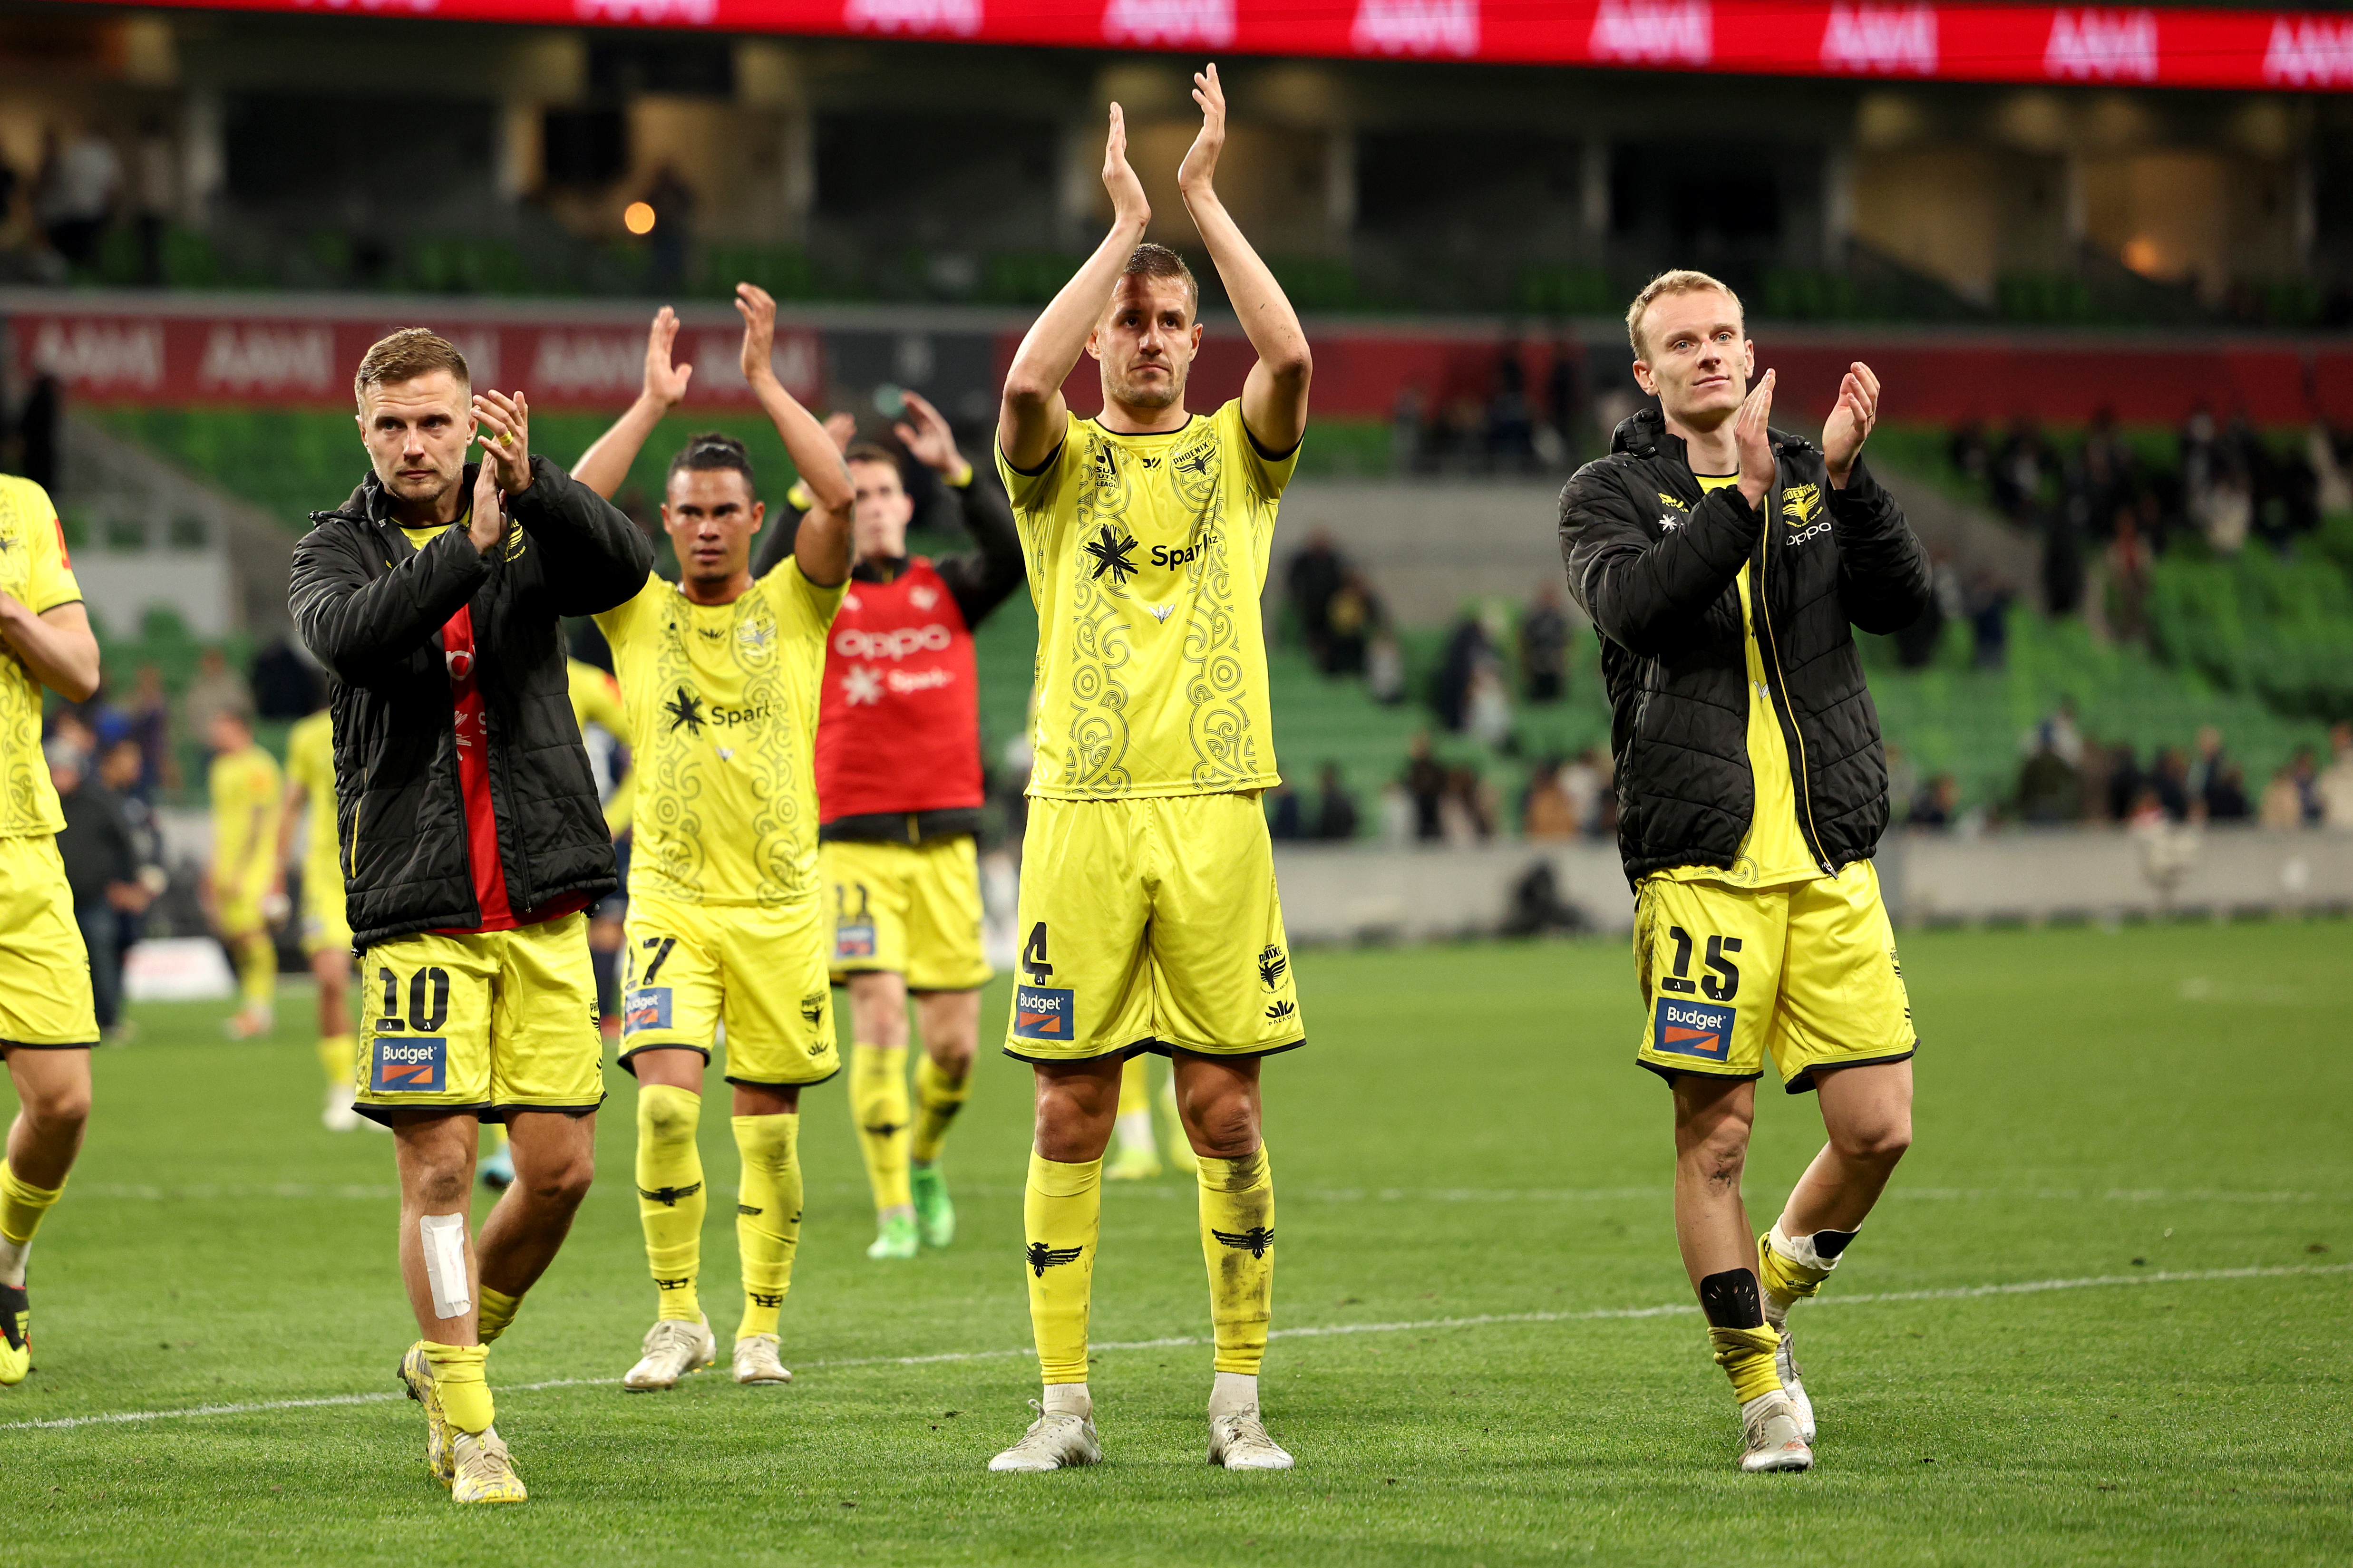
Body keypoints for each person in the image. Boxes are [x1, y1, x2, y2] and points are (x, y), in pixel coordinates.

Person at [986, 64, 1310, 1474]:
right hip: (1078, 811)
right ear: (1102, 336)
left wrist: (1198, 205)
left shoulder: (1239, 455)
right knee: (1071, 1106)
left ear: (1195, 340)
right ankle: (1062, 1407)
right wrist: (1121, 232)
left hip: (1216, 809)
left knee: (1220, 1109)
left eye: (1172, 322)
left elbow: (1290, 360)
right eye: (1131, 320)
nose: (1151, 340)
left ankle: (1236, 1398)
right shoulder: (1054, 464)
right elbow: (1020, 383)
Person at [1558, 270, 1929, 1474]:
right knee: (1712, 1141)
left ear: (1749, 349)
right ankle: (1757, 1390)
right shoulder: (1606, 494)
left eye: (1723, 335)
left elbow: (1902, 603)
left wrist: (1852, 483)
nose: (1708, 353)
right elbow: (1637, 609)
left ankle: (1768, 1286)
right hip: (1699, 870)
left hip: (1827, 860)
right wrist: (1744, 501)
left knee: (1876, 1128)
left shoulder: (1811, 475)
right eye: (1683, 342)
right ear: (1646, 372)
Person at [290, 328, 654, 1504]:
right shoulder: (332, 549)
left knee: (558, 1173)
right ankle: (476, 1426)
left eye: (435, 422)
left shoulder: (530, 521)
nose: (413, 444)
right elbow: (350, 639)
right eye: (391, 424)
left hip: (540, 904)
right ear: (362, 430)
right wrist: (467, 548)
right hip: (416, 910)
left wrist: (536, 486)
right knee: (441, 1169)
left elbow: (626, 569)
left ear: (470, 424)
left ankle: (444, 1358)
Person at [568, 288, 854, 1394]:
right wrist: (649, 404)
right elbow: (565, 510)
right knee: (663, 1104)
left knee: (768, 1136)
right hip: (670, 901)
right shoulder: (635, 608)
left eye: (724, 510)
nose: (703, 526)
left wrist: (767, 382)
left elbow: (837, 496)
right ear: (666, 518)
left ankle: (760, 1327)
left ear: (751, 517)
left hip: (779, 906)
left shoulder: (796, 604)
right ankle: (677, 1315)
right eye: (686, 510)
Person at [744, 400, 1021, 1262]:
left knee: (956, 1050)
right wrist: (807, 482)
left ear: (905, 504)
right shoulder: (818, 600)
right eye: (854, 493)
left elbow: (1015, 557)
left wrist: (961, 473)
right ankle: (894, 1206)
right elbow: (761, 577)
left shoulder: (948, 587)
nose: (868, 505)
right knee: (879, 1020)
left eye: (881, 492)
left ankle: (925, 1156)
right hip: (855, 846)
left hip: (945, 846)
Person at [0, 465, 105, 1385]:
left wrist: (10, 615)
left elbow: (81, 670)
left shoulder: (20, 505)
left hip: (20, 844)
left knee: (63, 1100)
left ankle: (7, 1261)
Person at [279, 703, 360, 1131]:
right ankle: (341, 1085)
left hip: (382, 873)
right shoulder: (308, 735)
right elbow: (291, 804)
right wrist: (275, 875)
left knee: (390, 987)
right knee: (330, 979)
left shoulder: (391, 711)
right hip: (326, 879)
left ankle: (382, 1085)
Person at [49, 737, 145, 1039]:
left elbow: (125, 844)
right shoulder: (39, 805)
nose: (59, 776)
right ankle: (62, 1021)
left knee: (102, 958)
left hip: (95, 897)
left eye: (65, 769)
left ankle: (109, 1019)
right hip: (51, 899)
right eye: (54, 769)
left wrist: (130, 883)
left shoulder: (98, 802)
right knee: (55, 963)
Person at [204, 708, 283, 1040]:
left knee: (253, 937)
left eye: (222, 728)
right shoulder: (220, 768)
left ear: (240, 728)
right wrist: (214, 867)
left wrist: (243, 868)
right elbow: (221, 822)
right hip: (226, 865)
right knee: (238, 939)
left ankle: (261, 1011)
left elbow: (259, 819)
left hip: (253, 867)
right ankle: (252, 1006)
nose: (215, 736)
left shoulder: (260, 765)